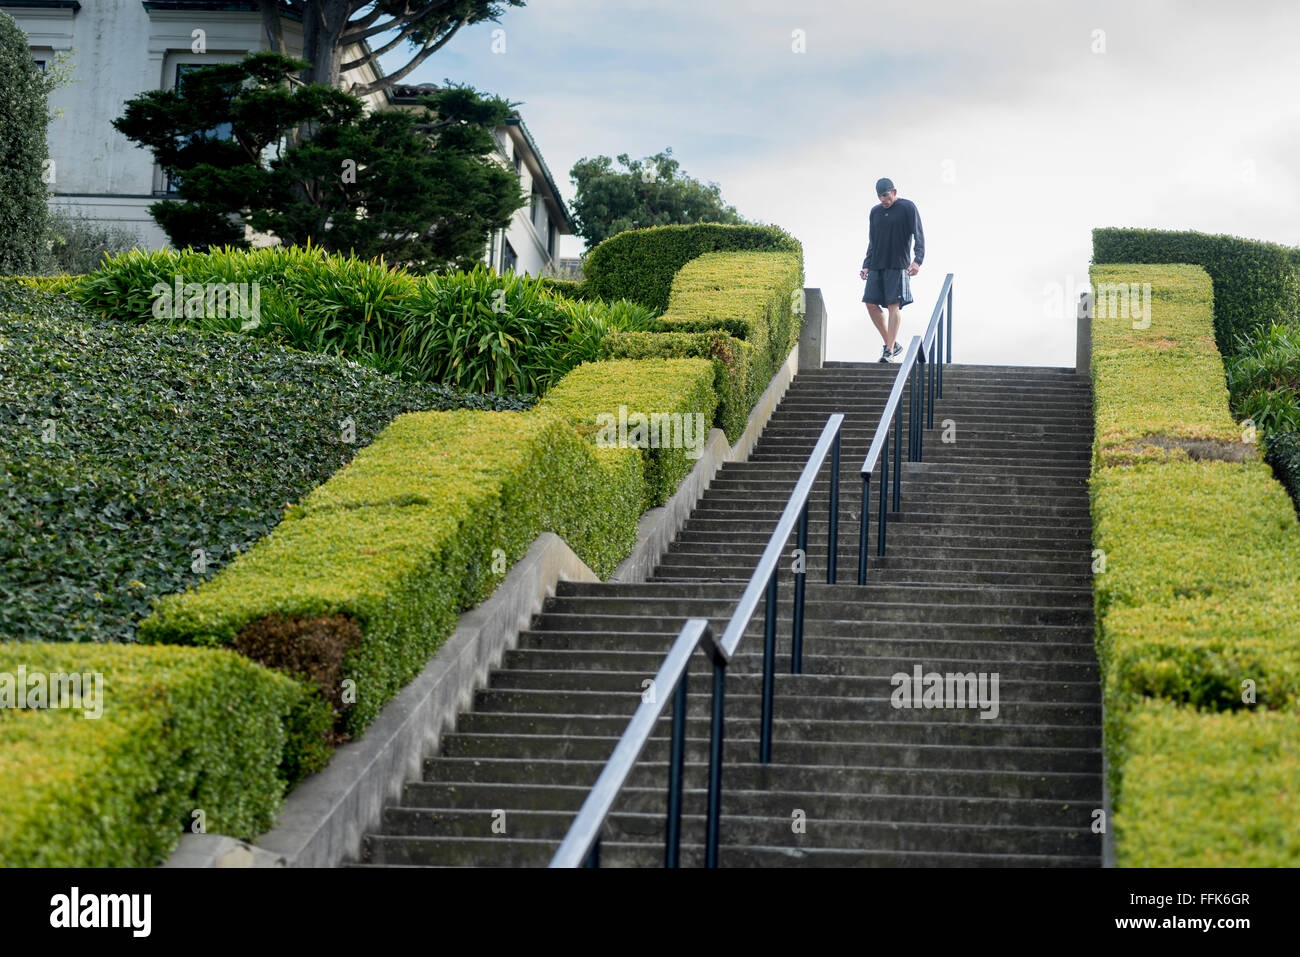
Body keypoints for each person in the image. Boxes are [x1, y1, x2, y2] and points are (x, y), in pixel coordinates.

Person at [859, 178, 925, 362]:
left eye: (886, 196)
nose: (883, 200)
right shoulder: (875, 212)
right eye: (880, 197)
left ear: (894, 192)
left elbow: (919, 235)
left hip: (898, 264)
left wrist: (917, 261)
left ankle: (888, 350)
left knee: (892, 305)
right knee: (870, 304)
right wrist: (866, 264)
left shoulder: (907, 208)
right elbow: (872, 241)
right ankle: (892, 344)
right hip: (876, 265)